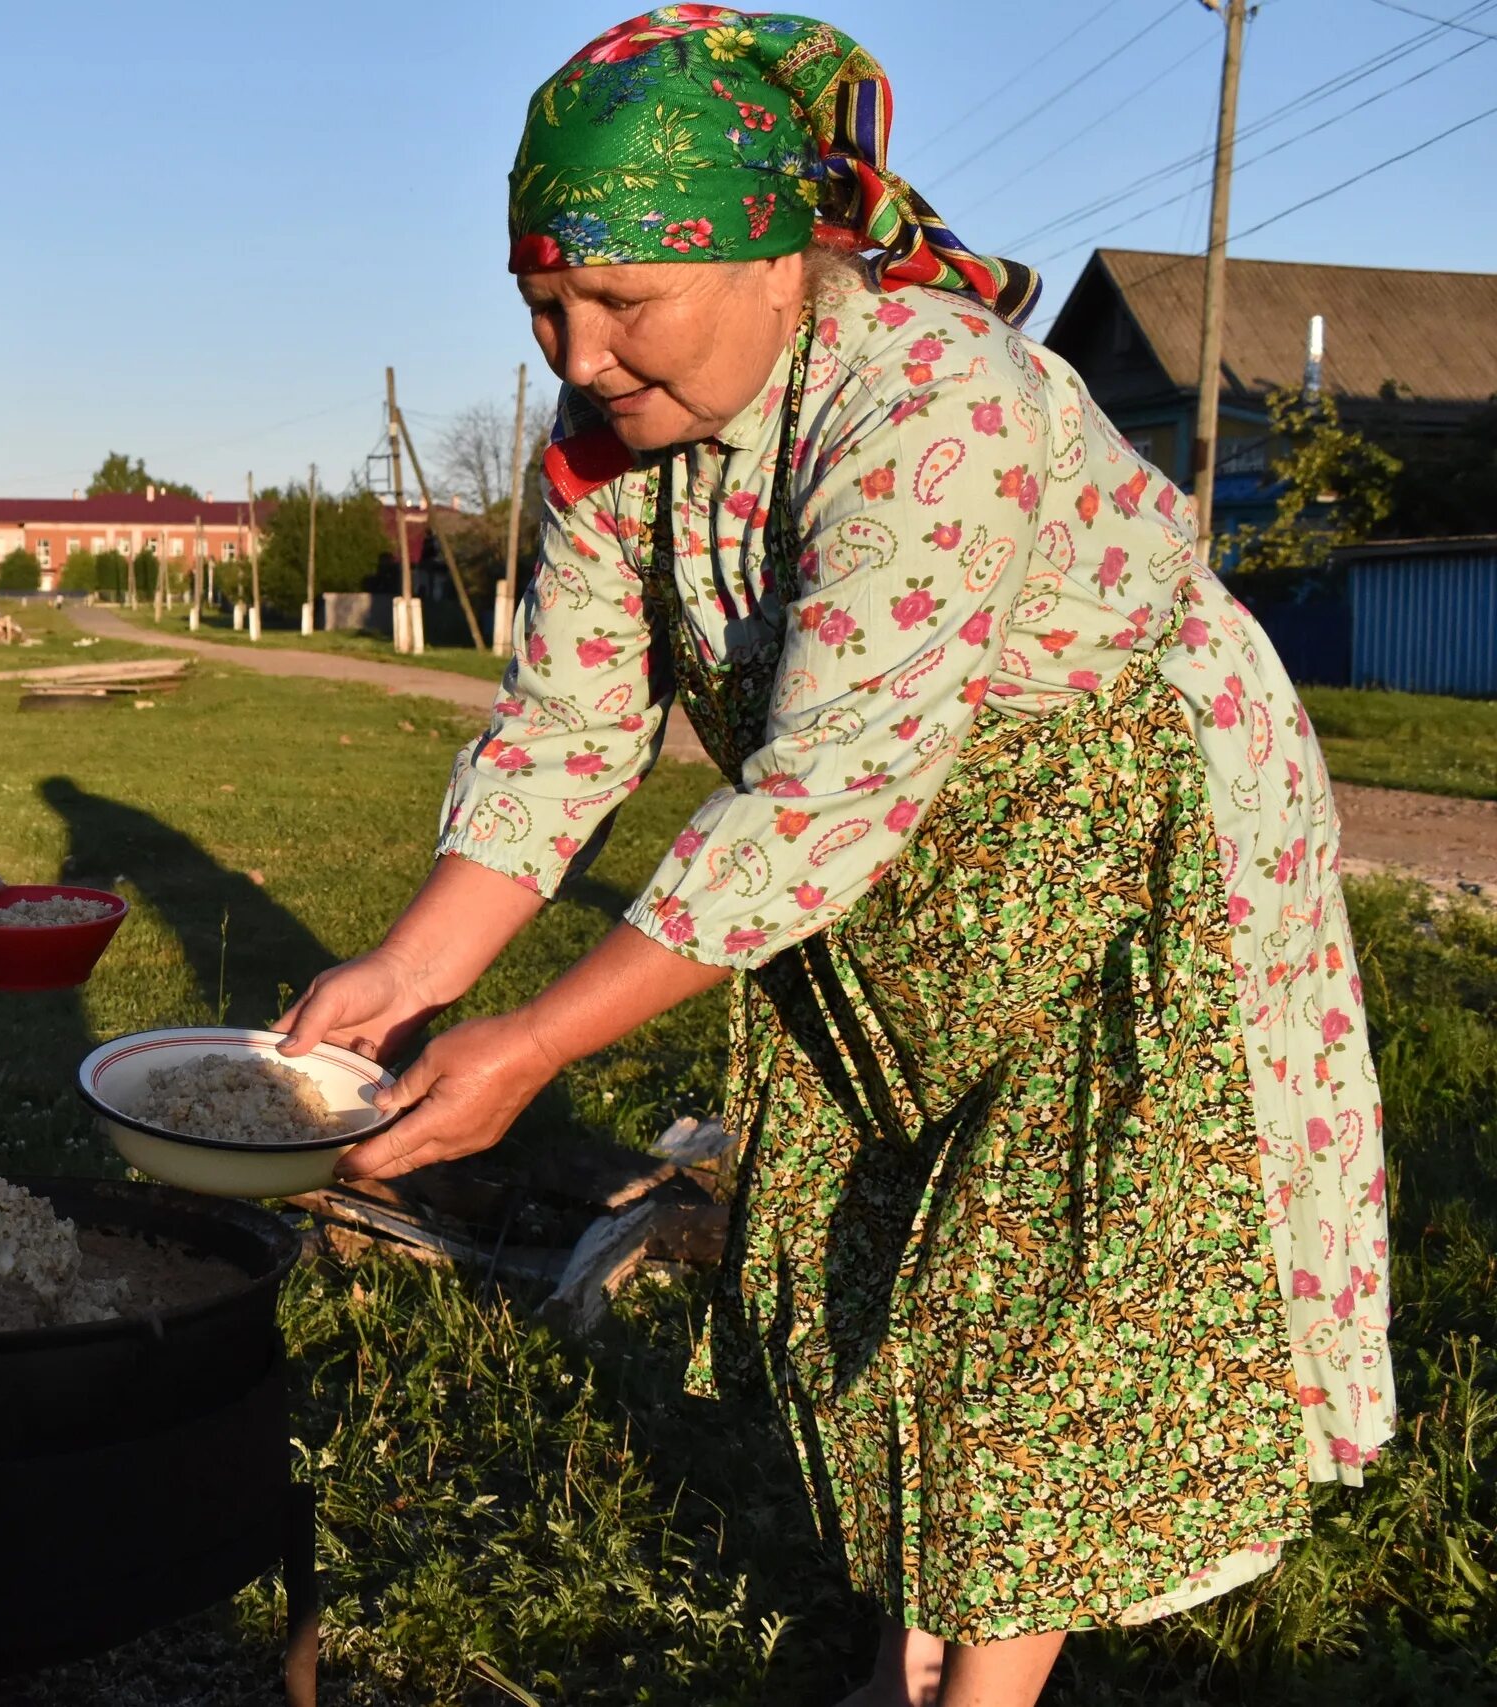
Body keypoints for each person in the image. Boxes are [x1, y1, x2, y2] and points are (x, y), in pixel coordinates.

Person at [277, 11, 1392, 1704]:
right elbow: (571, 736)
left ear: (778, 262)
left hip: (1106, 841)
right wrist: (412, 976)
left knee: (1030, 1283)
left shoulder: (935, 399)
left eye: (624, 302)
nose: (578, 353)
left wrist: (533, 1045)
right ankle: (913, 1646)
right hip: (877, 873)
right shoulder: (609, 457)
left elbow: (819, 790)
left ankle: (980, 1686)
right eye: (544, 309)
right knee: (890, 1268)